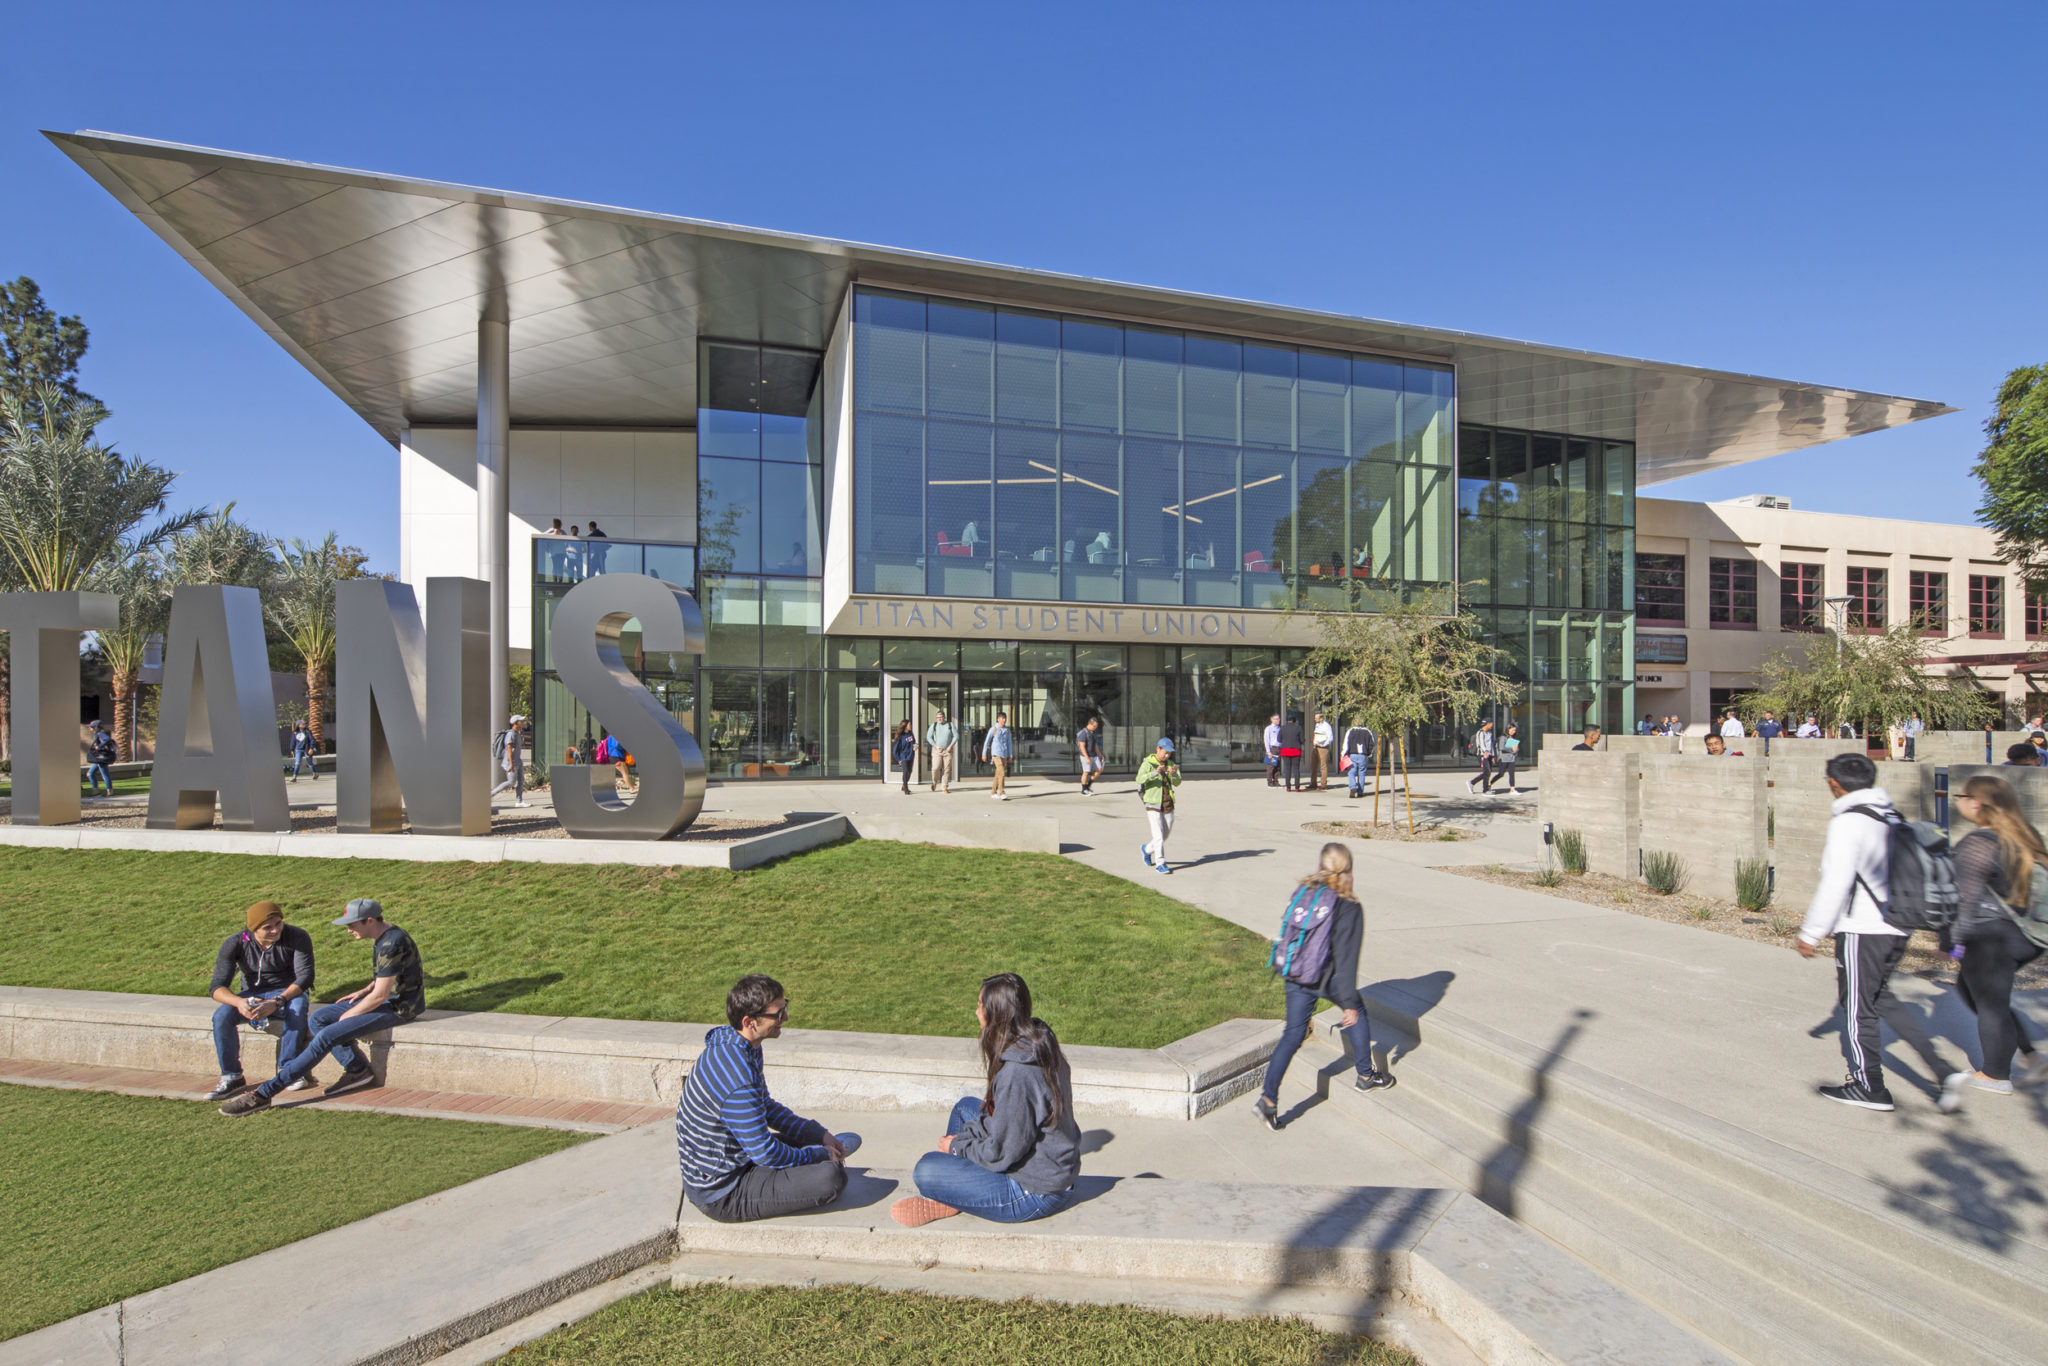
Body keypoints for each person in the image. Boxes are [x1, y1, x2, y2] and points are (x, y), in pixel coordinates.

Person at [1794, 753, 1960, 1112]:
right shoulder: (1891, 816)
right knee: (1881, 999)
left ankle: (1868, 1087)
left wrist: (1812, 932)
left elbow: (1836, 881)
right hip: (1898, 925)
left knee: (1857, 1010)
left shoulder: (1848, 822)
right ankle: (1943, 1070)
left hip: (1863, 929)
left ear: (1834, 784)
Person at [891, 973, 1080, 1227]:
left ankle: (951, 1193)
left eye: (980, 1006)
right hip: (1043, 1163)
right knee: (964, 1109)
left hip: (1036, 1191)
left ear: (996, 1014)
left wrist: (958, 1147)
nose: (976, 1012)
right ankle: (959, 1189)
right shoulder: (1038, 1041)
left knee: (926, 1170)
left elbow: (1001, 1153)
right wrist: (966, 1141)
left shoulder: (1017, 1075)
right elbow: (1008, 1122)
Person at [220, 899, 425, 1114]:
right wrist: (364, 991)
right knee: (318, 1019)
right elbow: (387, 975)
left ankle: (263, 1094)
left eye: (352, 924)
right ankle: (357, 1070)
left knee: (328, 1035)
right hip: (385, 999)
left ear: (370, 920)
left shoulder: (391, 943)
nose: (348, 930)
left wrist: (349, 1016)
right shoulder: (385, 934)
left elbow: (380, 996)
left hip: (401, 1007)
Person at [677, 974, 856, 1222]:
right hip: (723, 1192)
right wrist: (818, 1155)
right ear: (749, 1021)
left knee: (805, 1143)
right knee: (831, 1178)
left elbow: (766, 1107)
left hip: (739, 1156)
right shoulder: (737, 1076)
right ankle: (827, 1160)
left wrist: (817, 1134)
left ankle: (824, 1153)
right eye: (778, 1014)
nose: (786, 1018)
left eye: (785, 1008)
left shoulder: (739, 1045)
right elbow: (764, 1152)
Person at [1254, 843, 1392, 1132]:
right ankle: (1366, 1076)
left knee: (1292, 1035)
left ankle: (1268, 1100)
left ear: (1321, 865)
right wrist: (1349, 1003)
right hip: (1325, 978)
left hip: (1295, 972)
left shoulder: (1304, 891)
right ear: (1348, 869)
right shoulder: (1348, 905)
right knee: (1358, 1010)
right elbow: (1346, 959)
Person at [1938, 776, 2048, 1111]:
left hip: (1992, 936)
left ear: (1976, 803)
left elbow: (1964, 900)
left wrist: (1950, 941)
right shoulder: (2024, 835)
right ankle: (2032, 1056)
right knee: (1973, 991)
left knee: (1989, 1003)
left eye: (1961, 796)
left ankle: (1995, 1074)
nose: (1958, 800)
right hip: (2027, 935)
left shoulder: (1979, 843)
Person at [205, 901, 317, 1102]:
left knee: (298, 1008)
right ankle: (232, 1077)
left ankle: (288, 1070)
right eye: (268, 927)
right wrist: (239, 1002)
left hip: (287, 993)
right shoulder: (235, 943)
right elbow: (217, 987)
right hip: (252, 995)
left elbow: (305, 978)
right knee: (222, 1016)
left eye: (278, 923)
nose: (275, 930)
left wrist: (277, 1001)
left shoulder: (297, 936)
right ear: (253, 929)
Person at [1137, 737, 1180, 874]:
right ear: (1158, 749)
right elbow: (1139, 778)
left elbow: (1178, 782)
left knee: (1165, 835)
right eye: (1165, 752)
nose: (1167, 755)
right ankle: (1160, 863)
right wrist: (1155, 773)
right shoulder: (1148, 763)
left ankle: (1147, 849)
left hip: (1168, 803)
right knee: (1158, 836)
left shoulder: (1171, 764)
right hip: (1152, 803)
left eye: (1169, 753)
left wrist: (1174, 774)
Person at [491, 714, 528, 807]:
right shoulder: (511, 734)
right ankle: (491, 794)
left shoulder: (517, 733)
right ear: (516, 723)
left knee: (521, 781)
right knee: (511, 782)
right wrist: (511, 764)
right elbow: (509, 750)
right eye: (521, 721)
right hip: (511, 762)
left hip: (518, 761)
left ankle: (519, 801)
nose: (523, 722)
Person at [982, 711, 1013, 800]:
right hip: (996, 754)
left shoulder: (1007, 731)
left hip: (1004, 754)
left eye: (1005, 718)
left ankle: (993, 792)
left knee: (998, 773)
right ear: (998, 719)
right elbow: (987, 741)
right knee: (1002, 772)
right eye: (1002, 718)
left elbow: (1009, 743)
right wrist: (984, 754)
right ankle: (1002, 792)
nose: (1004, 720)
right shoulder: (994, 729)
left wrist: (1010, 755)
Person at [926, 709, 958, 794]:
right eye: (938, 717)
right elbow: (929, 737)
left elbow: (956, 736)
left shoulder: (950, 725)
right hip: (937, 751)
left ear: (944, 717)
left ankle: (944, 787)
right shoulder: (934, 725)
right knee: (935, 768)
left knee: (946, 769)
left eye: (941, 717)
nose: (939, 719)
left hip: (948, 751)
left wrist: (950, 746)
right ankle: (934, 781)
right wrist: (936, 746)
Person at [1341, 717, 1375, 799]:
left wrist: (1343, 754)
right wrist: (1369, 754)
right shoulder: (1368, 731)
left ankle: (1353, 787)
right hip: (1363, 755)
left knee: (1351, 772)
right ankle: (1360, 792)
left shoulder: (1350, 731)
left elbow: (1346, 744)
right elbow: (1372, 744)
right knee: (1362, 773)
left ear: (1355, 722)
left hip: (1353, 754)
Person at [85, 721, 116, 796]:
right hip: (99, 758)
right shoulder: (98, 734)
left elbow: (108, 739)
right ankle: (96, 791)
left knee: (105, 775)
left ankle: (109, 791)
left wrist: (99, 746)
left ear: (96, 727)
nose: (90, 728)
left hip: (101, 758)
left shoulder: (100, 733)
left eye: (91, 726)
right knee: (90, 774)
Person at [1276, 714, 1306, 792]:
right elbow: (1302, 740)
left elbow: (1279, 739)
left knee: (1287, 769)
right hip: (1295, 750)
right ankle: (1297, 787)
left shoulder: (1283, 728)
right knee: (1296, 769)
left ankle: (1288, 787)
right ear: (1295, 721)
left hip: (1285, 750)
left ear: (1287, 721)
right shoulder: (1298, 728)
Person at [1076, 716, 1104, 795]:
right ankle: (1083, 789)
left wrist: (1099, 754)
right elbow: (1082, 746)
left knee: (1099, 770)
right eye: (1094, 726)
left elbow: (1095, 745)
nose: (1095, 728)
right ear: (1089, 724)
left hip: (1094, 755)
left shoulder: (1093, 733)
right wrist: (1087, 758)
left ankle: (1088, 786)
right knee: (1086, 772)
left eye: (1096, 726)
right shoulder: (1083, 733)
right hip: (1086, 756)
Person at [1466, 718, 1496, 792]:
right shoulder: (1480, 733)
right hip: (1482, 755)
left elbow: (1491, 745)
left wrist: (1493, 756)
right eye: (1491, 723)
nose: (1492, 725)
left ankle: (1472, 782)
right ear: (1487, 724)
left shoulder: (1490, 733)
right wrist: (1485, 752)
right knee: (1487, 772)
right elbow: (1481, 744)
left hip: (1489, 755)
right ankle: (1485, 790)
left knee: (1487, 772)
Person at [891, 719, 917, 793]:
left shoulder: (911, 734)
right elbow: (895, 750)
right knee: (905, 771)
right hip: (903, 756)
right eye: (909, 725)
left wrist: (916, 745)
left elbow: (914, 742)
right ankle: (906, 788)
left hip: (911, 755)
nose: (911, 726)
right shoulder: (900, 736)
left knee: (909, 771)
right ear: (905, 726)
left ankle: (903, 785)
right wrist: (898, 759)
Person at [1310, 712, 1334, 791]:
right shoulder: (1317, 725)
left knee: (1322, 766)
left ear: (1321, 718)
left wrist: (1323, 744)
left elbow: (1330, 738)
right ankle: (1313, 783)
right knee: (1313, 765)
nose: (1315, 719)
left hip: (1323, 748)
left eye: (1316, 718)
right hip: (1315, 747)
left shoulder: (1326, 726)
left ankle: (1323, 784)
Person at [1496, 722, 1522, 792]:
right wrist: (1512, 750)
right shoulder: (1503, 737)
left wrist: (1516, 751)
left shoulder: (1513, 738)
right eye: (1512, 730)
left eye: (1515, 730)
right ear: (1508, 729)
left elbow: (1516, 748)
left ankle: (1512, 789)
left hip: (1511, 758)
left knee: (1512, 774)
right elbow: (1502, 748)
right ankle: (1490, 783)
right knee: (1501, 774)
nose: (1514, 732)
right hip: (1504, 759)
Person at [1262, 713, 1282, 787]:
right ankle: (1269, 781)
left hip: (1279, 749)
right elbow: (1266, 740)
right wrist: (1268, 751)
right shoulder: (1269, 728)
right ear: (1272, 720)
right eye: (1276, 719)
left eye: (1278, 719)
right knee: (1271, 766)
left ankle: (1276, 781)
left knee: (1277, 766)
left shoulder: (1280, 728)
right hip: (1272, 749)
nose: (1278, 720)